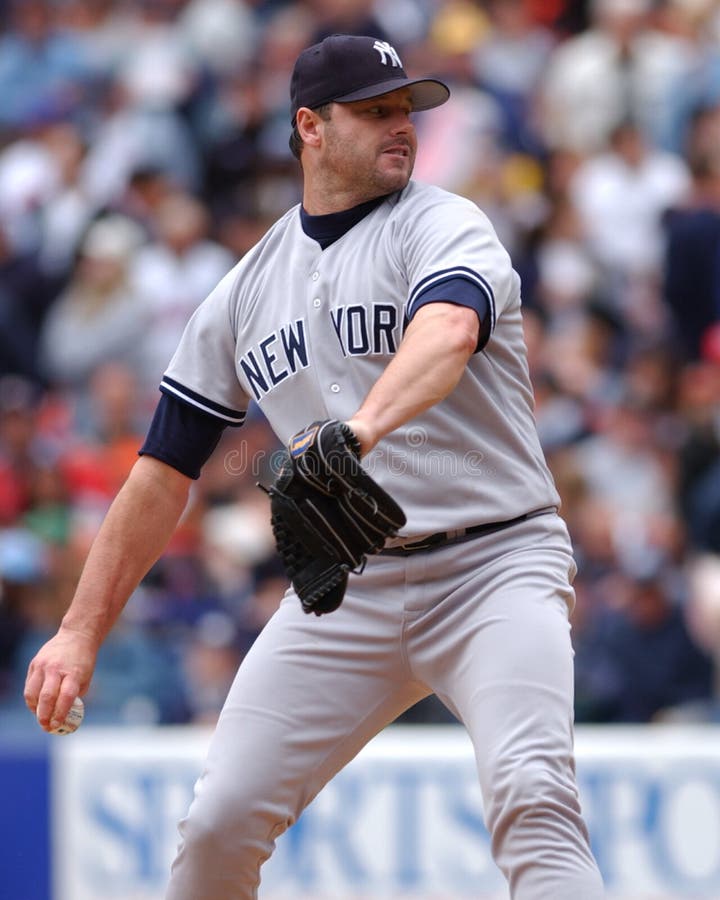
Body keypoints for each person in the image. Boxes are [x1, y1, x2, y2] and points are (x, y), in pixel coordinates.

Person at [24, 34, 605, 900]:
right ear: (311, 127)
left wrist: (360, 430)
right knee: (219, 822)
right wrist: (79, 628)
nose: (400, 126)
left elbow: (447, 332)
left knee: (533, 795)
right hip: (351, 584)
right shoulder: (246, 290)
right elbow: (161, 472)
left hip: (496, 564)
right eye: (374, 112)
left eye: (405, 109)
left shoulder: (442, 222)